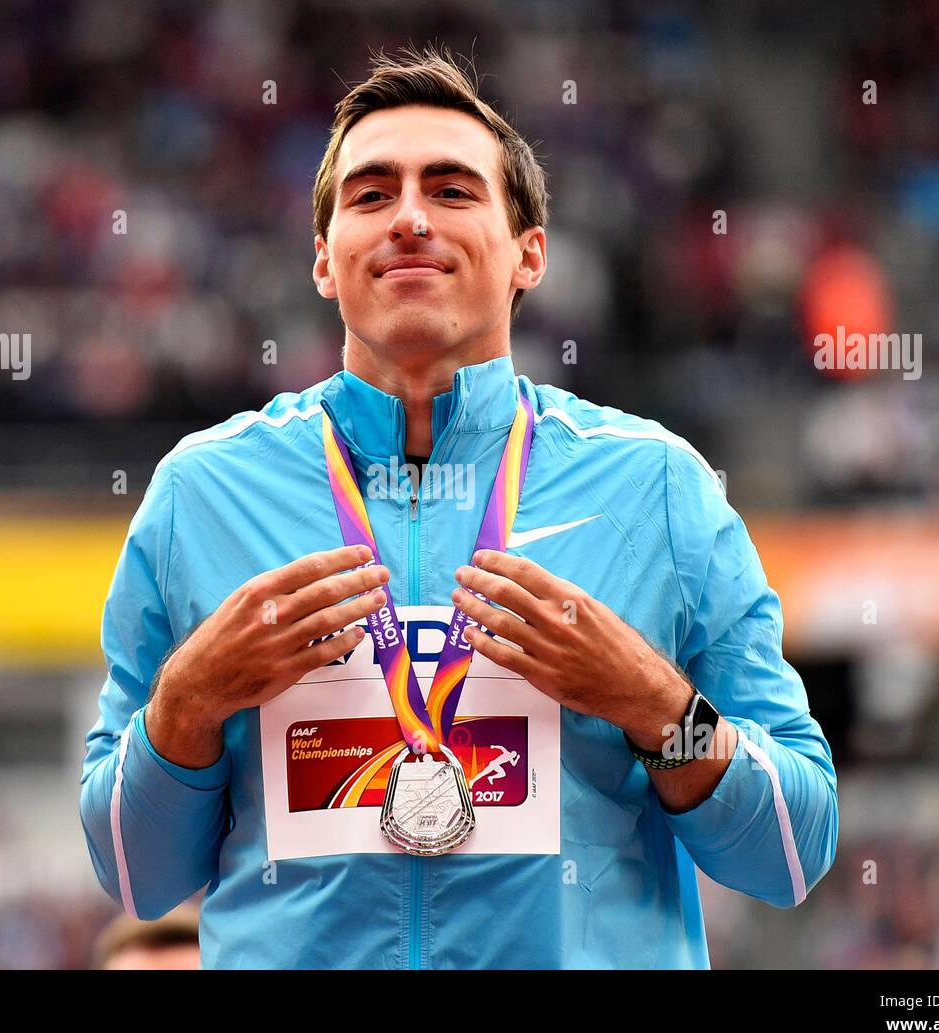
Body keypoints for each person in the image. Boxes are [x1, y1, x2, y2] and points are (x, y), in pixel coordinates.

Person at [79, 44, 838, 969]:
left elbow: (794, 852)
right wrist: (186, 706)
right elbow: (132, 872)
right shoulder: (202, 492)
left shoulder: (659, 488)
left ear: (530, 254)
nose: (407, 219)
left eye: (450, 189)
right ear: (324, 259)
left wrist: (654, 704)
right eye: (370, 194)